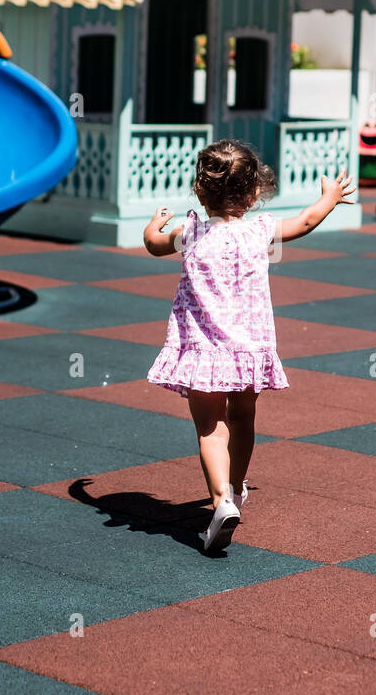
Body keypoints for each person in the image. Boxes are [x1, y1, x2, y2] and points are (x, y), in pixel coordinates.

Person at [143, 138, 354, 553]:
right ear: (255, 193)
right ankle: (237, 488)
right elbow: (307, 221)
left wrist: (155, 224)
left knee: (209, 428)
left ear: (201, 191)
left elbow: (153, 244)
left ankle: (221, 498)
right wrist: (329, 198)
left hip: (202, 349)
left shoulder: (190, 231)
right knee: (242, 418)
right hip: (249, 349)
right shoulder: (262, 231)